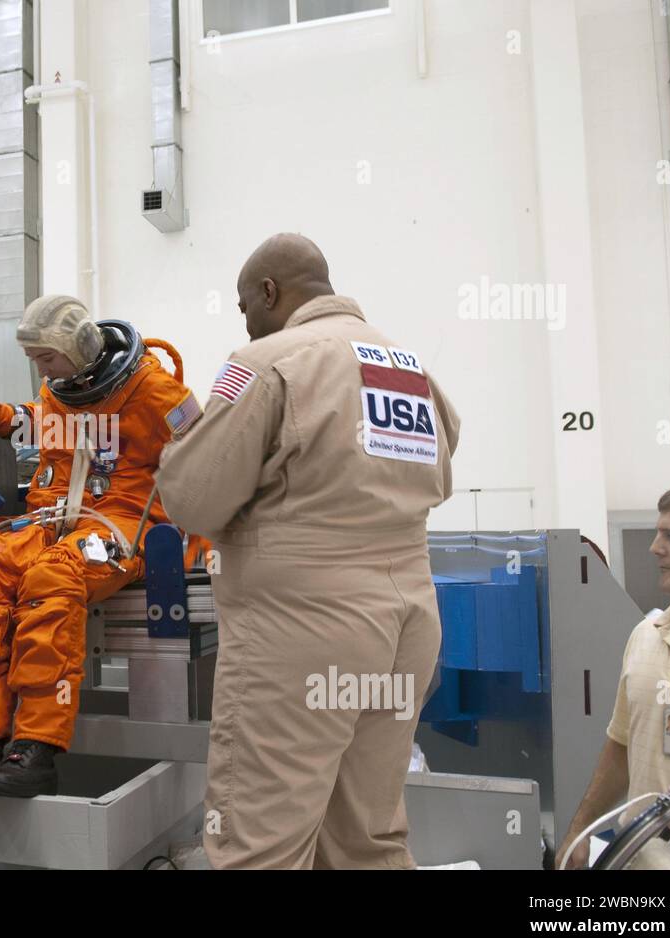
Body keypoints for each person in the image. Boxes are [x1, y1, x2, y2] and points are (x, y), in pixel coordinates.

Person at [156, 233, 460, 868]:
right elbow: (442, 469)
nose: (246, 320)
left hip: (301, 631)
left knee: (260, 842)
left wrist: (179, 453)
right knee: (366, 836)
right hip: (408, 623)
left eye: (246, 306)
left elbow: (196, 497)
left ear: (270, 292)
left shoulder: (267, 360)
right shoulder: (407, 366)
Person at [0, 294, 202, 797]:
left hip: (125, 521)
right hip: (54, 515)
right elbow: (35, 424)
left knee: (54, 576)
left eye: (44, 357)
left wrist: (202, 542)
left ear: (78, 349)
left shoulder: (154, 390)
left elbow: (209, 453)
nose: (37, 366)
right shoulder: (61, 391)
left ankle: (37, 745)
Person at [557, 482, 670, 869]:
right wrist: (582, 827)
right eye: (658, 533)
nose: (654, 547)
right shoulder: (645, 636)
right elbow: (621, 744)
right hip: (643, 851)